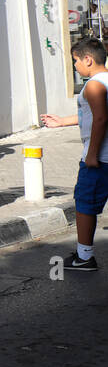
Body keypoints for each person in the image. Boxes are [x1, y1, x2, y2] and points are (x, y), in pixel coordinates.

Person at [39, 37, 108, 271]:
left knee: (85, 204)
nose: (75, 67)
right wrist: (62, 122)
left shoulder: (94, 85)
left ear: (88, 60)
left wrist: (91, 154)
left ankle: (84, 256)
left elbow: (100, 118)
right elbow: (91, 115)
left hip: (101, 159)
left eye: (75, 61)